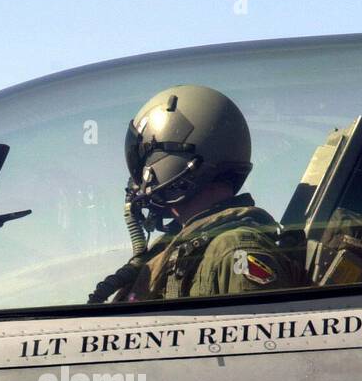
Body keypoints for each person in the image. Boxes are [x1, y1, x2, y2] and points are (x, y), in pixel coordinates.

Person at [89, 84, 293, 304]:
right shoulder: (185, 249)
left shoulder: (234, 250)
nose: (139, 183)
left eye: (147, 162)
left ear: (179, 159)